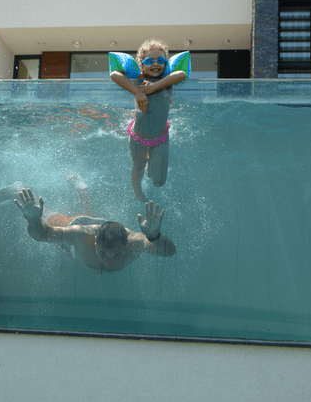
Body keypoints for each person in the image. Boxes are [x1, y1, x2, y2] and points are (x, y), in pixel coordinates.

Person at [12, 186, 176, 273]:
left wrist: (154, 236)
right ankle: (18, 188)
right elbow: (42, 235)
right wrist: (33, 218)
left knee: (89, 215)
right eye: (103, 253)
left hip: (101, 227)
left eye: (116, 255)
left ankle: (82, 190)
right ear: (95, 242)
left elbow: (169, 252)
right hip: (79, 227)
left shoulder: (134, 242)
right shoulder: (80, 235)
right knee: (49, 215)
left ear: (126, 245)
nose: (109, 261)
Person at [110, 40, 187, 202]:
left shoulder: (167, 80)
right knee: (138, 166)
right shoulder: (138, 79)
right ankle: (138, 192)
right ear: (141, 65)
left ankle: (153, 163)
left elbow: (182, 74)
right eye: (149, 61)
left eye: (161, 60)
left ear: (166, 64)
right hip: (137, 137)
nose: (155, 64)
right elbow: (114, 74)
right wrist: (137, 92)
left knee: (158, 182)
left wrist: (154, 87)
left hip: (159, 139)